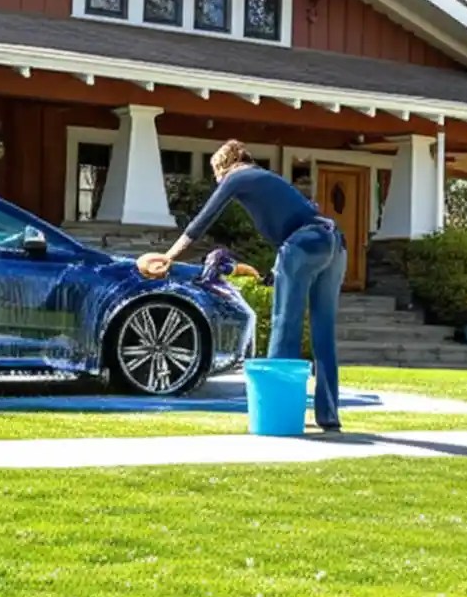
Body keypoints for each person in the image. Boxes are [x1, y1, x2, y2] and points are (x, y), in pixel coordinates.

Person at [146, 139, 348, 432]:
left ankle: (281, 412)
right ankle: (329, 416)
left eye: (216, 174)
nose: (217, 181)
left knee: (285, 323)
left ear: (224, 166)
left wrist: (168, 256)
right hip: (334, 243)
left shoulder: (237, 176)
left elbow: (203, 220)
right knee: (323, 332)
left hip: (303, 243)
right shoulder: (266, 179)